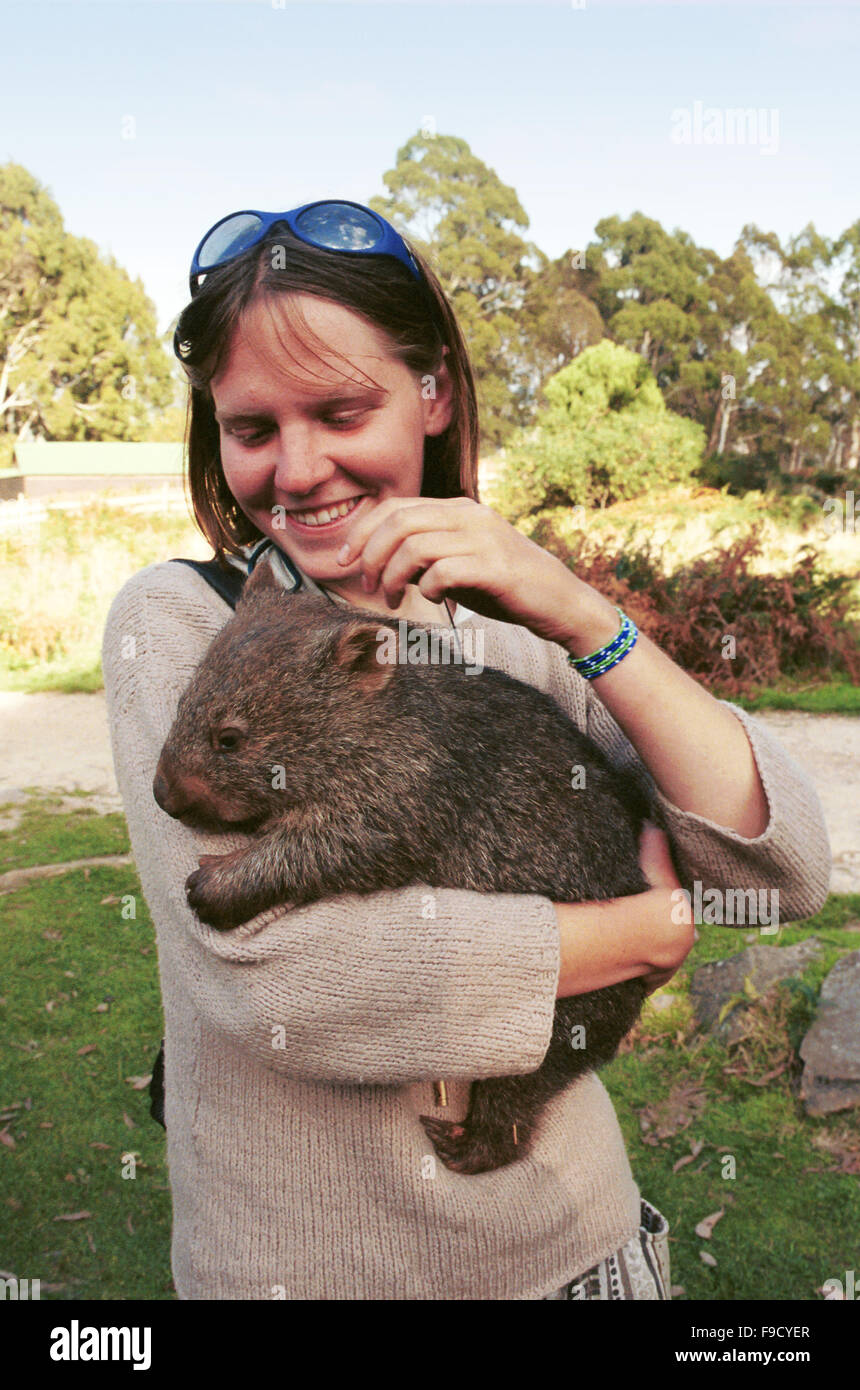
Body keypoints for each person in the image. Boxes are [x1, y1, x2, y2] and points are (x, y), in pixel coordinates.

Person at [102, 200, 832, 1301]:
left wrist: (581, 615)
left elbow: (777, 869)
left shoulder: (507, 636)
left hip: (575, 1248)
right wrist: (642, 932)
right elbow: (287, 979)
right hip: (306, 1272)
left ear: (432, 393)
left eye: (341, 410)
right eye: (252, 428)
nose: (298, 470)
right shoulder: (186, 622)